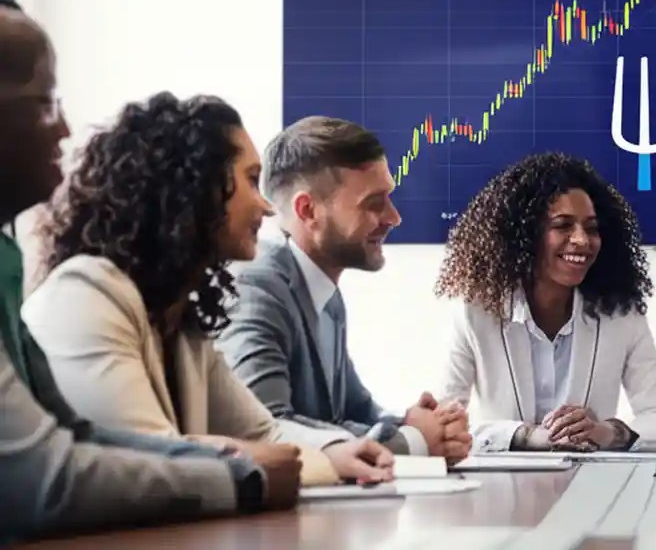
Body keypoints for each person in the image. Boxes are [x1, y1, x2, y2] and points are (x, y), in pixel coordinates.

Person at [0, 0, 299, 542]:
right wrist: (240, 478)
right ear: (192, 189)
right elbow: (41, 478)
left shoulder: (8, 263)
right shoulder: (86, 292)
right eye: (45, 104)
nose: (65, 127)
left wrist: (240, 465)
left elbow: (82, 436)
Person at [22, 92, 395, 485]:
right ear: (195, 188)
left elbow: (263, 433)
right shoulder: (87, 294)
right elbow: (152, 459)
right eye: (251, 180)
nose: (268, 208)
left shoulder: (183, 324)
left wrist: (335, 453)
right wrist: (270, 460)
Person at [218, 116, 471, 463]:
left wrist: (416, 422)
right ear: (308, 210)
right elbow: (265, 429)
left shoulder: (325, 293)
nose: (393, 217)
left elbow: (355, 411)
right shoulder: (255, 287)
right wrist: (413, 441)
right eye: (373, 203)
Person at [435, 152, 656, 452]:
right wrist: (527, 436)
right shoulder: (476, 312)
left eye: (591, 228)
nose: (582, 240)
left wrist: (605, 432)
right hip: (504, 491)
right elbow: (443, 427)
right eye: (563, 225)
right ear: (525, 235)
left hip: (594, 487)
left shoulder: (620, 314)